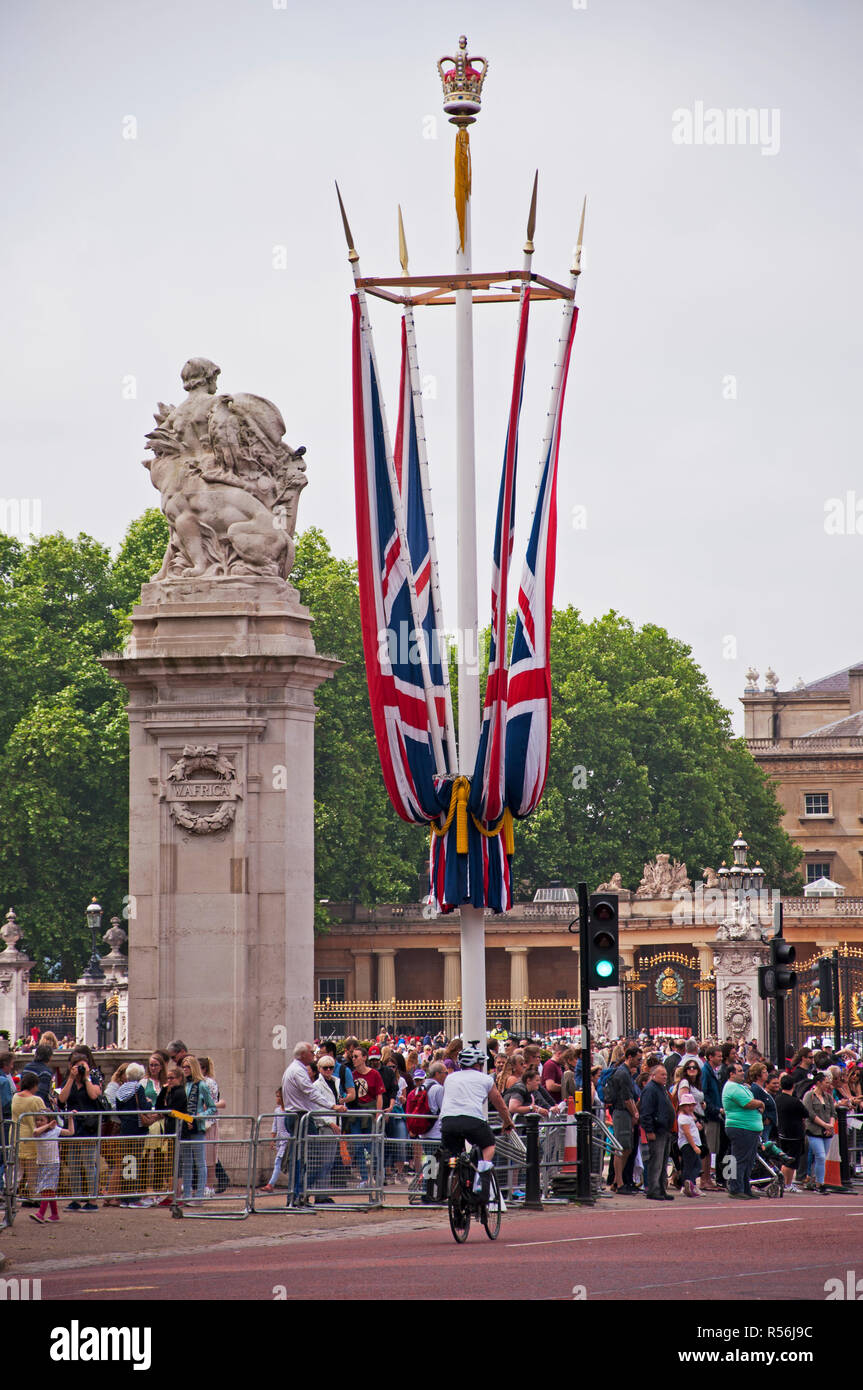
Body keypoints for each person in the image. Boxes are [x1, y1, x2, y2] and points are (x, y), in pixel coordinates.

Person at [439, 1044, 515, 1204]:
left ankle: (455, 1200)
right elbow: (499, 1102)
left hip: (448, 1121)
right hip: (472, 1120)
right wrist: (507, 1121)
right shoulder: (486, 1079)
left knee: (455, 1158)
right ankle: (481, 1179)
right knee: (489, 1145)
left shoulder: (450, 1078)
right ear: (478, 1064)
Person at [56, 1049, 104, 1211]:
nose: (80, 1069)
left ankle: (92, 1200)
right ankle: (75, 1198)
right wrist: (71, 1078)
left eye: (83, 1066)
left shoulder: (93, 1078)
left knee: (89, 1164)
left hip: (89, 1127)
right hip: (73, 1126)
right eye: (77, 1066)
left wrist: (87, 1077)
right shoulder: (69, 1080)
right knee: (74, 1164)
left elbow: (93, 1096)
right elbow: (61, 1100)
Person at [722, 1060, 764, 1199]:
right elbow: (747, 1103)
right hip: (740, 1127)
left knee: (748, 1160)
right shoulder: (732, 1087)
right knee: (739, 1159)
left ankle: (745, 1188)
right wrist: (760, 1103)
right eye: (739, 1071)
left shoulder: (739, 1086)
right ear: (731, 1074)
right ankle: (735, 1189)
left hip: (748, 1128)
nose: (743, 1073)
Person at [178, 1054, 217, 1203]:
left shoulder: (201, 1085)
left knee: (200, 1162)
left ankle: (199, 1195)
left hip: (197, 1126)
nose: (185, 1070)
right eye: (184, 1067)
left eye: (188, 1067)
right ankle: (187, 1194)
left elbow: (212, 1107)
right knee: (186, 1163)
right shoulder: (184, 1085)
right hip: (185, 1126)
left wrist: (200, 1115)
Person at [605, 1044, 641, 1194]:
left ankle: (616, 1181)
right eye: (638, 1059)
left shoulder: (625, 1073)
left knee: (627, 1148)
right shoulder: (623, 1074)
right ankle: (619, 1183)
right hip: (621, 1112)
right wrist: (635, 1113)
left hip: (623, 1112)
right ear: (629, 1057)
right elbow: (627, 1098)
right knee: (621, 1148)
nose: (640, 1062)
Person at [639, 1064, 676, 1200]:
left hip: (665, 1130)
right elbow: (646, 1112)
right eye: (662, 1074)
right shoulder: (650, 1090)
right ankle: (654, 1189)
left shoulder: (661, 1089)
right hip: (657, 1130)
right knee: (656, 1161)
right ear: (653, 1075)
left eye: (666, 1074)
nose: (665, 1077)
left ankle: (661, 1188)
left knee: (663, 1161)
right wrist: (649, 1130)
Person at [802, 1071, 836, 1193]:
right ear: (818, 1083)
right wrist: (825, 1125)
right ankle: (819, 1183)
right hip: (814, 1131)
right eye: (826, 1083)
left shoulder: (828, 1097)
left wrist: (830, 1126)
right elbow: (810, 1114)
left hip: (827, 1132)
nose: (828, 1085)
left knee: (822, 1158)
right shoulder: (809, 1096)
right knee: (820, 1156)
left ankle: (816, 1180)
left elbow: (833, 1113)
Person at [675, 1081, 702, 1198]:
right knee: (693, 1165)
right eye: (688, 1105)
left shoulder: (688, 1116)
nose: (691, 1107)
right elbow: (687, 1133)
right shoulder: (683, 1118)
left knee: (693, 1164)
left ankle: (688, 1184)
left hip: (692, 1143)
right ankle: (688, 1183)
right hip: (688, 1144)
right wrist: (694, 1146)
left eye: (692, 1105)